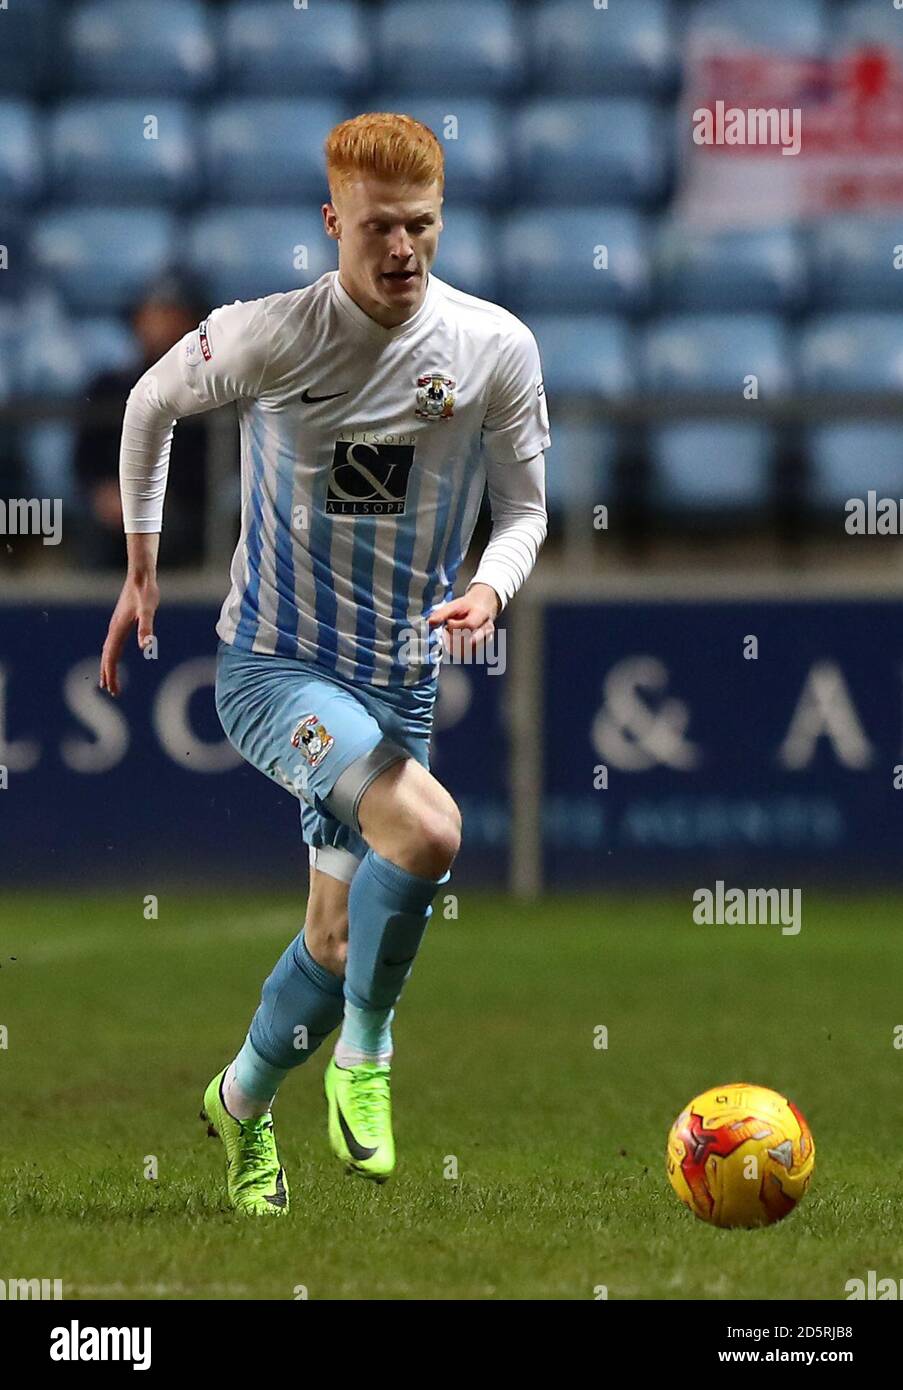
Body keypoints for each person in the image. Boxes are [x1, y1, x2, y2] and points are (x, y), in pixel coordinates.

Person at [99, 113, 550, 1215]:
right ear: (332, 221)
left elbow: (527, 509)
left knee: (335, 936)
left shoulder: (494, 347)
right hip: (273, 668)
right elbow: (151, 401)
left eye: (423, 227)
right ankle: (366, 1056)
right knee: (431, 829)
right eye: (380, 228)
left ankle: (239, 1105)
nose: (403, 251)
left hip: (397, 680)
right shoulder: (269, 335)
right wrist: (143, 562)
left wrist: (491, 587)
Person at [75, 272, 210, 569]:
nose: (161, 324)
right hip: (114, 511)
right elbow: (85, 460)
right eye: (154, 313)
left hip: (179, 512)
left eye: (173, 314)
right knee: (96, 531)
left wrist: (152, 503)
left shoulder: (210, 392)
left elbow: (212, 469)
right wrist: (105, 494)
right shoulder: (107, 387)